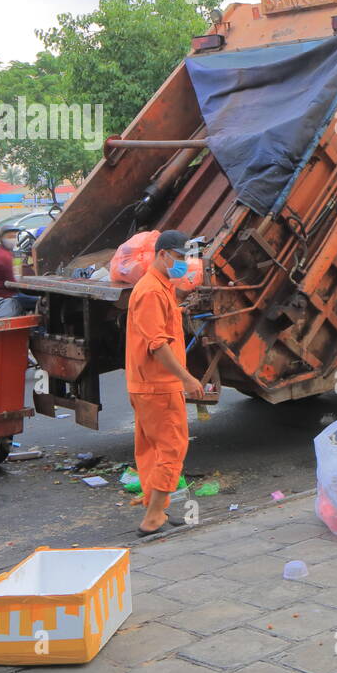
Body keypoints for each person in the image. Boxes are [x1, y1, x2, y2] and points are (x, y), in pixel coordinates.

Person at [125, 230, 203, 536]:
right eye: (180, 257)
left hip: (146, 383)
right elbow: (158, 345)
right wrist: (186, 378)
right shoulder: (152, 292)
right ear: (162, 255)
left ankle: (155, 508)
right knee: (172, 448)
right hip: (159, 385)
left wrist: (179, 308)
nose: (183, 264)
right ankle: (153, 518)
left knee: (150, 450)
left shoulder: (159, 287)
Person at [0, 227, 38, 311]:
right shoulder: (4, 256)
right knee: (40, 301)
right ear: (1, 238)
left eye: (14, 237)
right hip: (5, 296)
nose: (12, 239)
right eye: (9, 237)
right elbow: (11, 283)